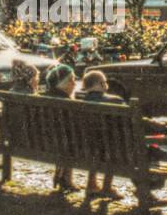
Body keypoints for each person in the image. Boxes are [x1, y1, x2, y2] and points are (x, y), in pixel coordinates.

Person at [78, 69, 124, 200]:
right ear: (101, 84)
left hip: (86, 148)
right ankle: (106, 187)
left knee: (97, 145)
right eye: (104, 82)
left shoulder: (81, 101)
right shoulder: (116, 101)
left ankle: (91, 184)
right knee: (111, 144)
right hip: (112, 150)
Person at [44, 62, 77, 192]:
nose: (75, 84)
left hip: (44, 144)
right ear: (63, 82)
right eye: (72, 80)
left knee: (62, 140)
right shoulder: (67, 104)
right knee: (69, 141)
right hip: (62, 147)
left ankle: (62, 176)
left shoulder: (42, 99)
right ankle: (67, 179)